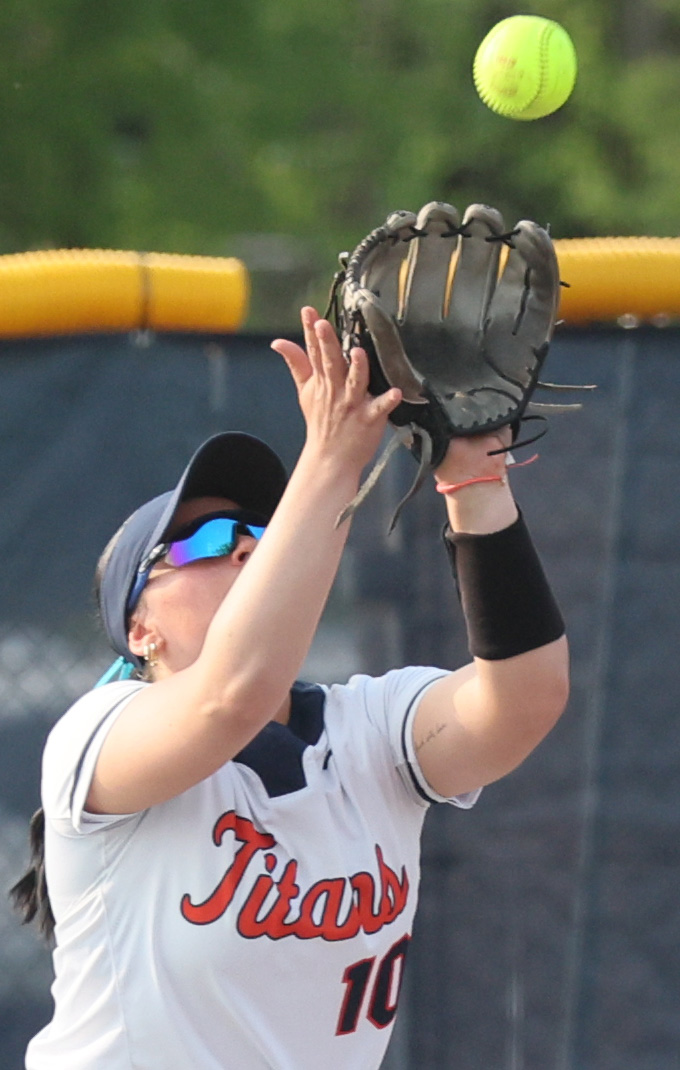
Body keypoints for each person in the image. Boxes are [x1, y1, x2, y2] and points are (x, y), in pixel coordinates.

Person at [12, 306, 569, 1069]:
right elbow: (231, 697)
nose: (246, 549)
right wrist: (334, 456)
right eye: (207, 540)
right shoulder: (98, 734)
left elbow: (526, 696)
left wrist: (474, 479)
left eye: (262, 534)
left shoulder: (370, 733)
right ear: (140, 630)